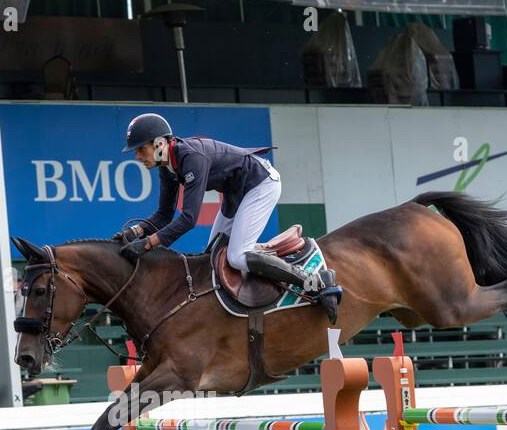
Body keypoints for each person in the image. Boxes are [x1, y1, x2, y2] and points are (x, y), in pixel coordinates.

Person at [115, 112, 340, 323]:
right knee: (210, 257)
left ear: (159, 144)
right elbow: (164, 215)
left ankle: (314, 281)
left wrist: (147, 245)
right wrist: (135, 232)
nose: (137, 156)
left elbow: (189, 219)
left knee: (237, 257)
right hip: (236, 194)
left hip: (260, 185)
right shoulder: (167, 167)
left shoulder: (191, 157)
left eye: (140, 149)